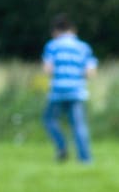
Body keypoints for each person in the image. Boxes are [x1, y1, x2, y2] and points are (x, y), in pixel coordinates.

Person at [41, 14, 98, 163]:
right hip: (77, 90)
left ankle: (62, 146)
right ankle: (85, 159)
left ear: (55, 31)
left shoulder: (52, 46)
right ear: (73, 30)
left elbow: (47, 70)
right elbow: (90, 73)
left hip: (57, 91)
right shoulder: (83, 47)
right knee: (78, 126)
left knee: (49, 119)